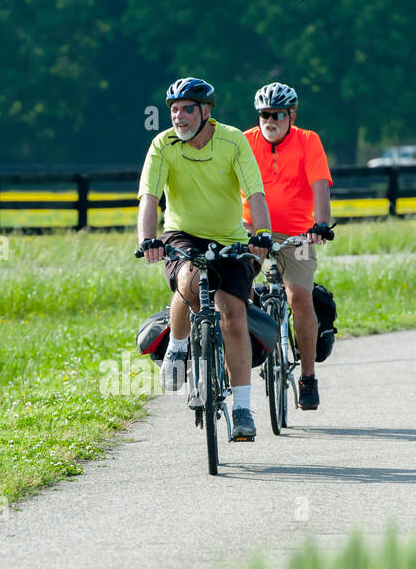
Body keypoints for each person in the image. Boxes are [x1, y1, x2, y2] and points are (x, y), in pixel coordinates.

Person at [137, 77, 274, 441]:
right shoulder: (162, 144)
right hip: (182, 234)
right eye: (174, 110)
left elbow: (255, 192)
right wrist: (147, 240)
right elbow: (149, 197)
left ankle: (243, 407)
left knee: (233, 311)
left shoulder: (232, 140)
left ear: (206, 112)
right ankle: (177, 349)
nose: (178, 117)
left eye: (186, 109)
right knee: (190, 282)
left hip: (229, 238)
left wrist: (261, 234)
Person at [243, 82, 334, 410]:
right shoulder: (243, 142)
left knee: (298, 297)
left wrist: (320, 226)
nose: (269, 120)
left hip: (297, 233)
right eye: (264, 115)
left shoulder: (308, 141)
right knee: (235, 289)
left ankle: (308, 378)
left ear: (291, 115)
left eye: (277, 115)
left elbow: (320, 186)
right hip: (252, 230)